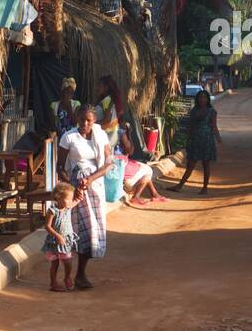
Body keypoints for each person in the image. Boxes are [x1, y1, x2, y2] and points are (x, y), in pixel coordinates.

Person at [59, 104, 112, 289]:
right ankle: (74, 275)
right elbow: (60, 167)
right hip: (77, 190)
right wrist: (74, 187)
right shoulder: (69, 137)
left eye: (89, 120)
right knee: (81, 231)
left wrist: (90, 179)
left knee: (93, 230)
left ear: (94, 120)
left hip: (95, 187)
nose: (85, 124)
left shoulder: (100, 135)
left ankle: (80, 273)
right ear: (77, 119)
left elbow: (108, 164)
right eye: (82, 120)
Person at [173, 89, 222, 194]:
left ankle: (205, 188)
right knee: (191, 164)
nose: (202, 100)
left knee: (206, 164)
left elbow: (214, 126)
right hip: (195, 140)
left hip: (207, 140)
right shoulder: (194, 111)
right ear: (197, 99)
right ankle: (180, 185)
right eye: (200, 97)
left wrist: (218, 140)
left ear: (207, 99)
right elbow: (190, 127)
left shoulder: (212, 112)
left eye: (204, 97)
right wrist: (187, 139)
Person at [43, 181, 78, 291]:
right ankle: (53, 283)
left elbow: (77, 200)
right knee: (55, 263)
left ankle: (67, 277)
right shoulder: (52, 211)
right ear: (58, 198)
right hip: (54, 242)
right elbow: (48, 227)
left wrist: (81, 189)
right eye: (68, 199)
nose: (70, 201)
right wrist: (57, 236)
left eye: (71, 199)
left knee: (67, 261)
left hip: (65, 241)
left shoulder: (68, 208)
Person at [119, 126, 165, 205]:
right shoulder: (120, 132)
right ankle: (136, 196)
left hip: (118, 170)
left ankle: (154, 194)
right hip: (126, 180)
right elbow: (130, 150)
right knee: (148, 172)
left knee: (145, 170)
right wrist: (129, 134)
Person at [97, 74, 126, 148]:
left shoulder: (107, 100)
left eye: (100, 86)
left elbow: (107, 120)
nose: (97, 88)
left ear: (106, 87)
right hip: (111, 136)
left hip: (107, 136)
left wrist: (93, 124)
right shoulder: (110, 100)